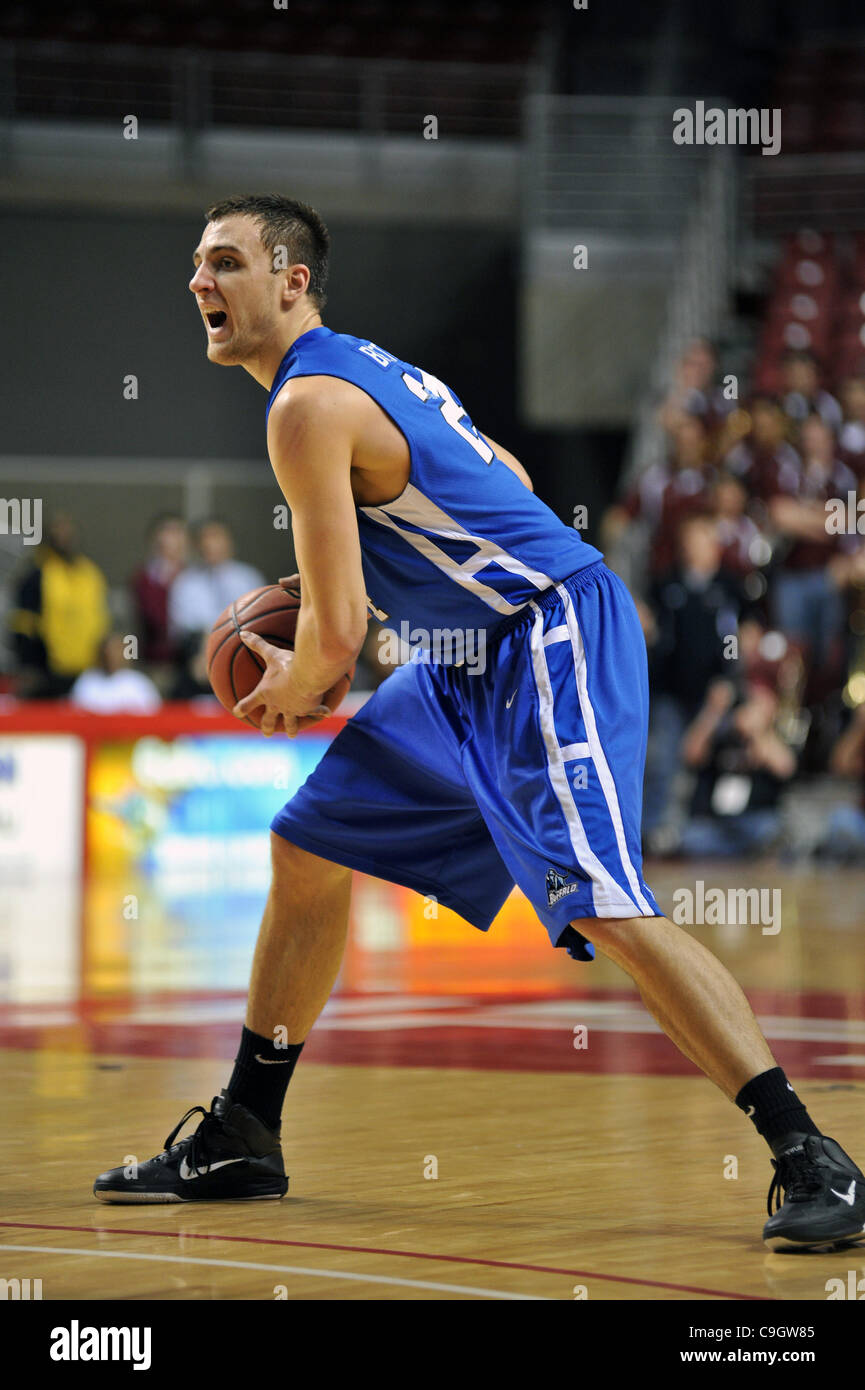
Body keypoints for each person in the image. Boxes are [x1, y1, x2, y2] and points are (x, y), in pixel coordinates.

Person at [92, 193, 865, 1251]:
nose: (200, 282)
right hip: (462, 656)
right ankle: (243, 1131)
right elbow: (508, 474)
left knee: (604, 902)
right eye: (195, 264)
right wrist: (373, 611)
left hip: (545, 636)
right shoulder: (369, 371)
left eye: (224, 262)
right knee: (307, 847)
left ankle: (811, 1154)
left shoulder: (303, 407)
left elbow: (335, 640)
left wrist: (292, 684)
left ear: (291, 280)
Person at [8, 513, 110, 698]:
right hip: (47, 671)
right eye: (58, 532)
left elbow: (100, 619)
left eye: (68, 533)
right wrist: (28, 666)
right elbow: (23, 625)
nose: (64, 538)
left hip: (88, 671)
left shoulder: (90, 574)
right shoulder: (36, 576)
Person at [168, 517, 264, 648]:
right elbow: (182, 627)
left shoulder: (248, 577)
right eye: (204, 538)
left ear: (230, 541)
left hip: (244, 644)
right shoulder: (185, 581)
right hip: (199, 648)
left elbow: (260, 618)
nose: (209, 544)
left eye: (216, 537)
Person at [130, 513, 189, 667]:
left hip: (190, 660)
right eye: (168, 532)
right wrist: (132, 658)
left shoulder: (195, 576)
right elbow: (136, 626)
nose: (174, 539)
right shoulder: (144, 578)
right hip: (155, 661)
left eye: (178, 532)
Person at [70, 632, 162, 714]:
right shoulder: (87, 680)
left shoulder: (138, 683)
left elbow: (153, 714)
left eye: (117, 650)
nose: (112, 655)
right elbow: (76, 713)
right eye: (108, 650)